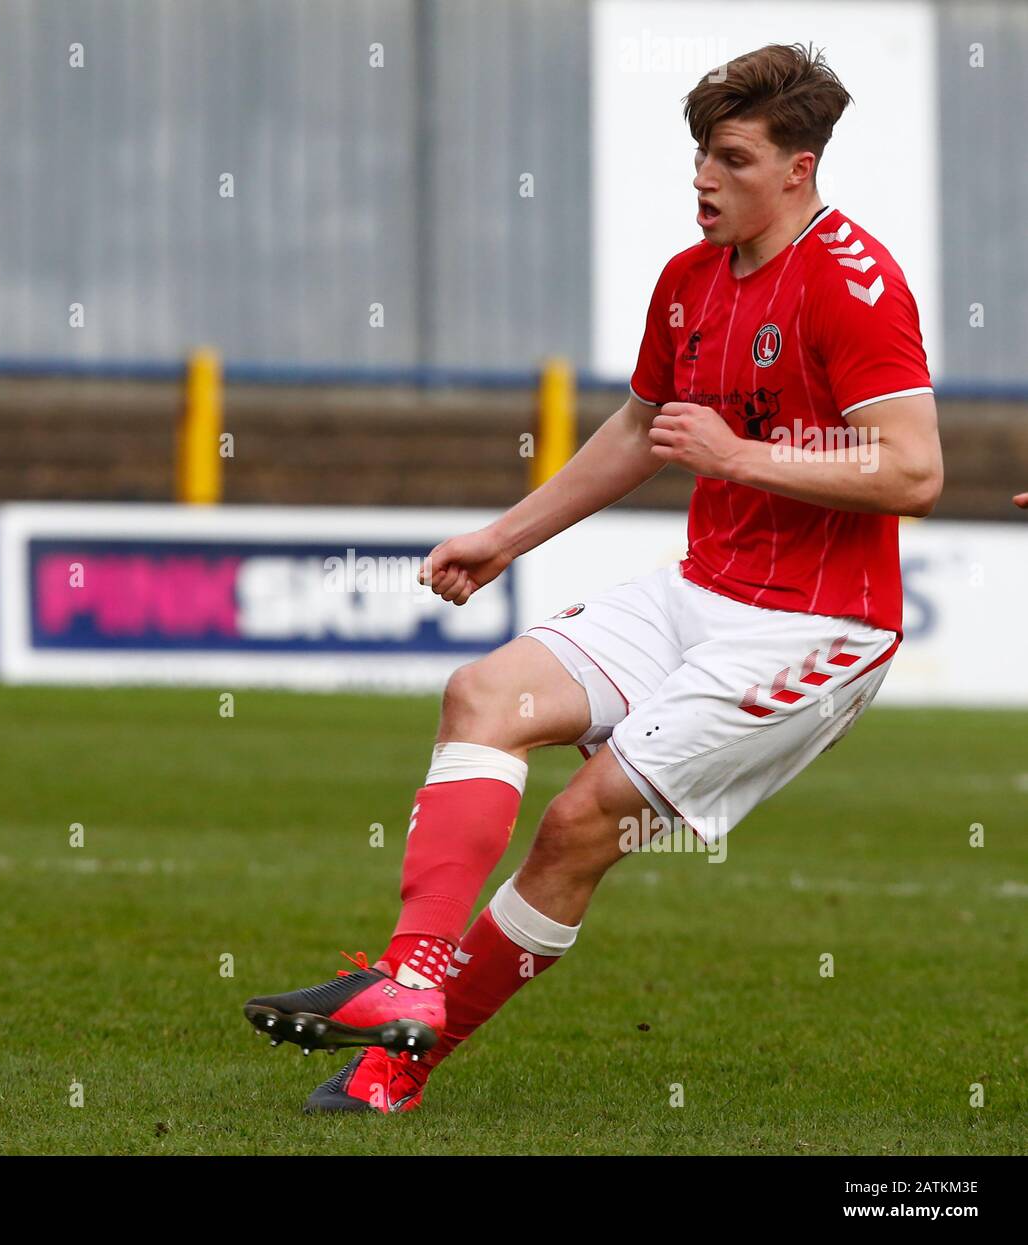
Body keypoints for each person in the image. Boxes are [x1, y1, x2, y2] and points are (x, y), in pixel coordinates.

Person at [243, 42, 944, 1114]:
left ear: (797, 168)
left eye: (731, 158)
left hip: (814, 630)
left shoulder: (854, 286)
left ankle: (396, 1069)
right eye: (699, 156)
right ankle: (412, 980)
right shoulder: (690, 279)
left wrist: (740, 457)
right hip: (699, 590)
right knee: (482, 694)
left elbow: (912, 469)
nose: (703, 179)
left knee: (578, 827)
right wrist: (507, 536)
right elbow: (639, 427)